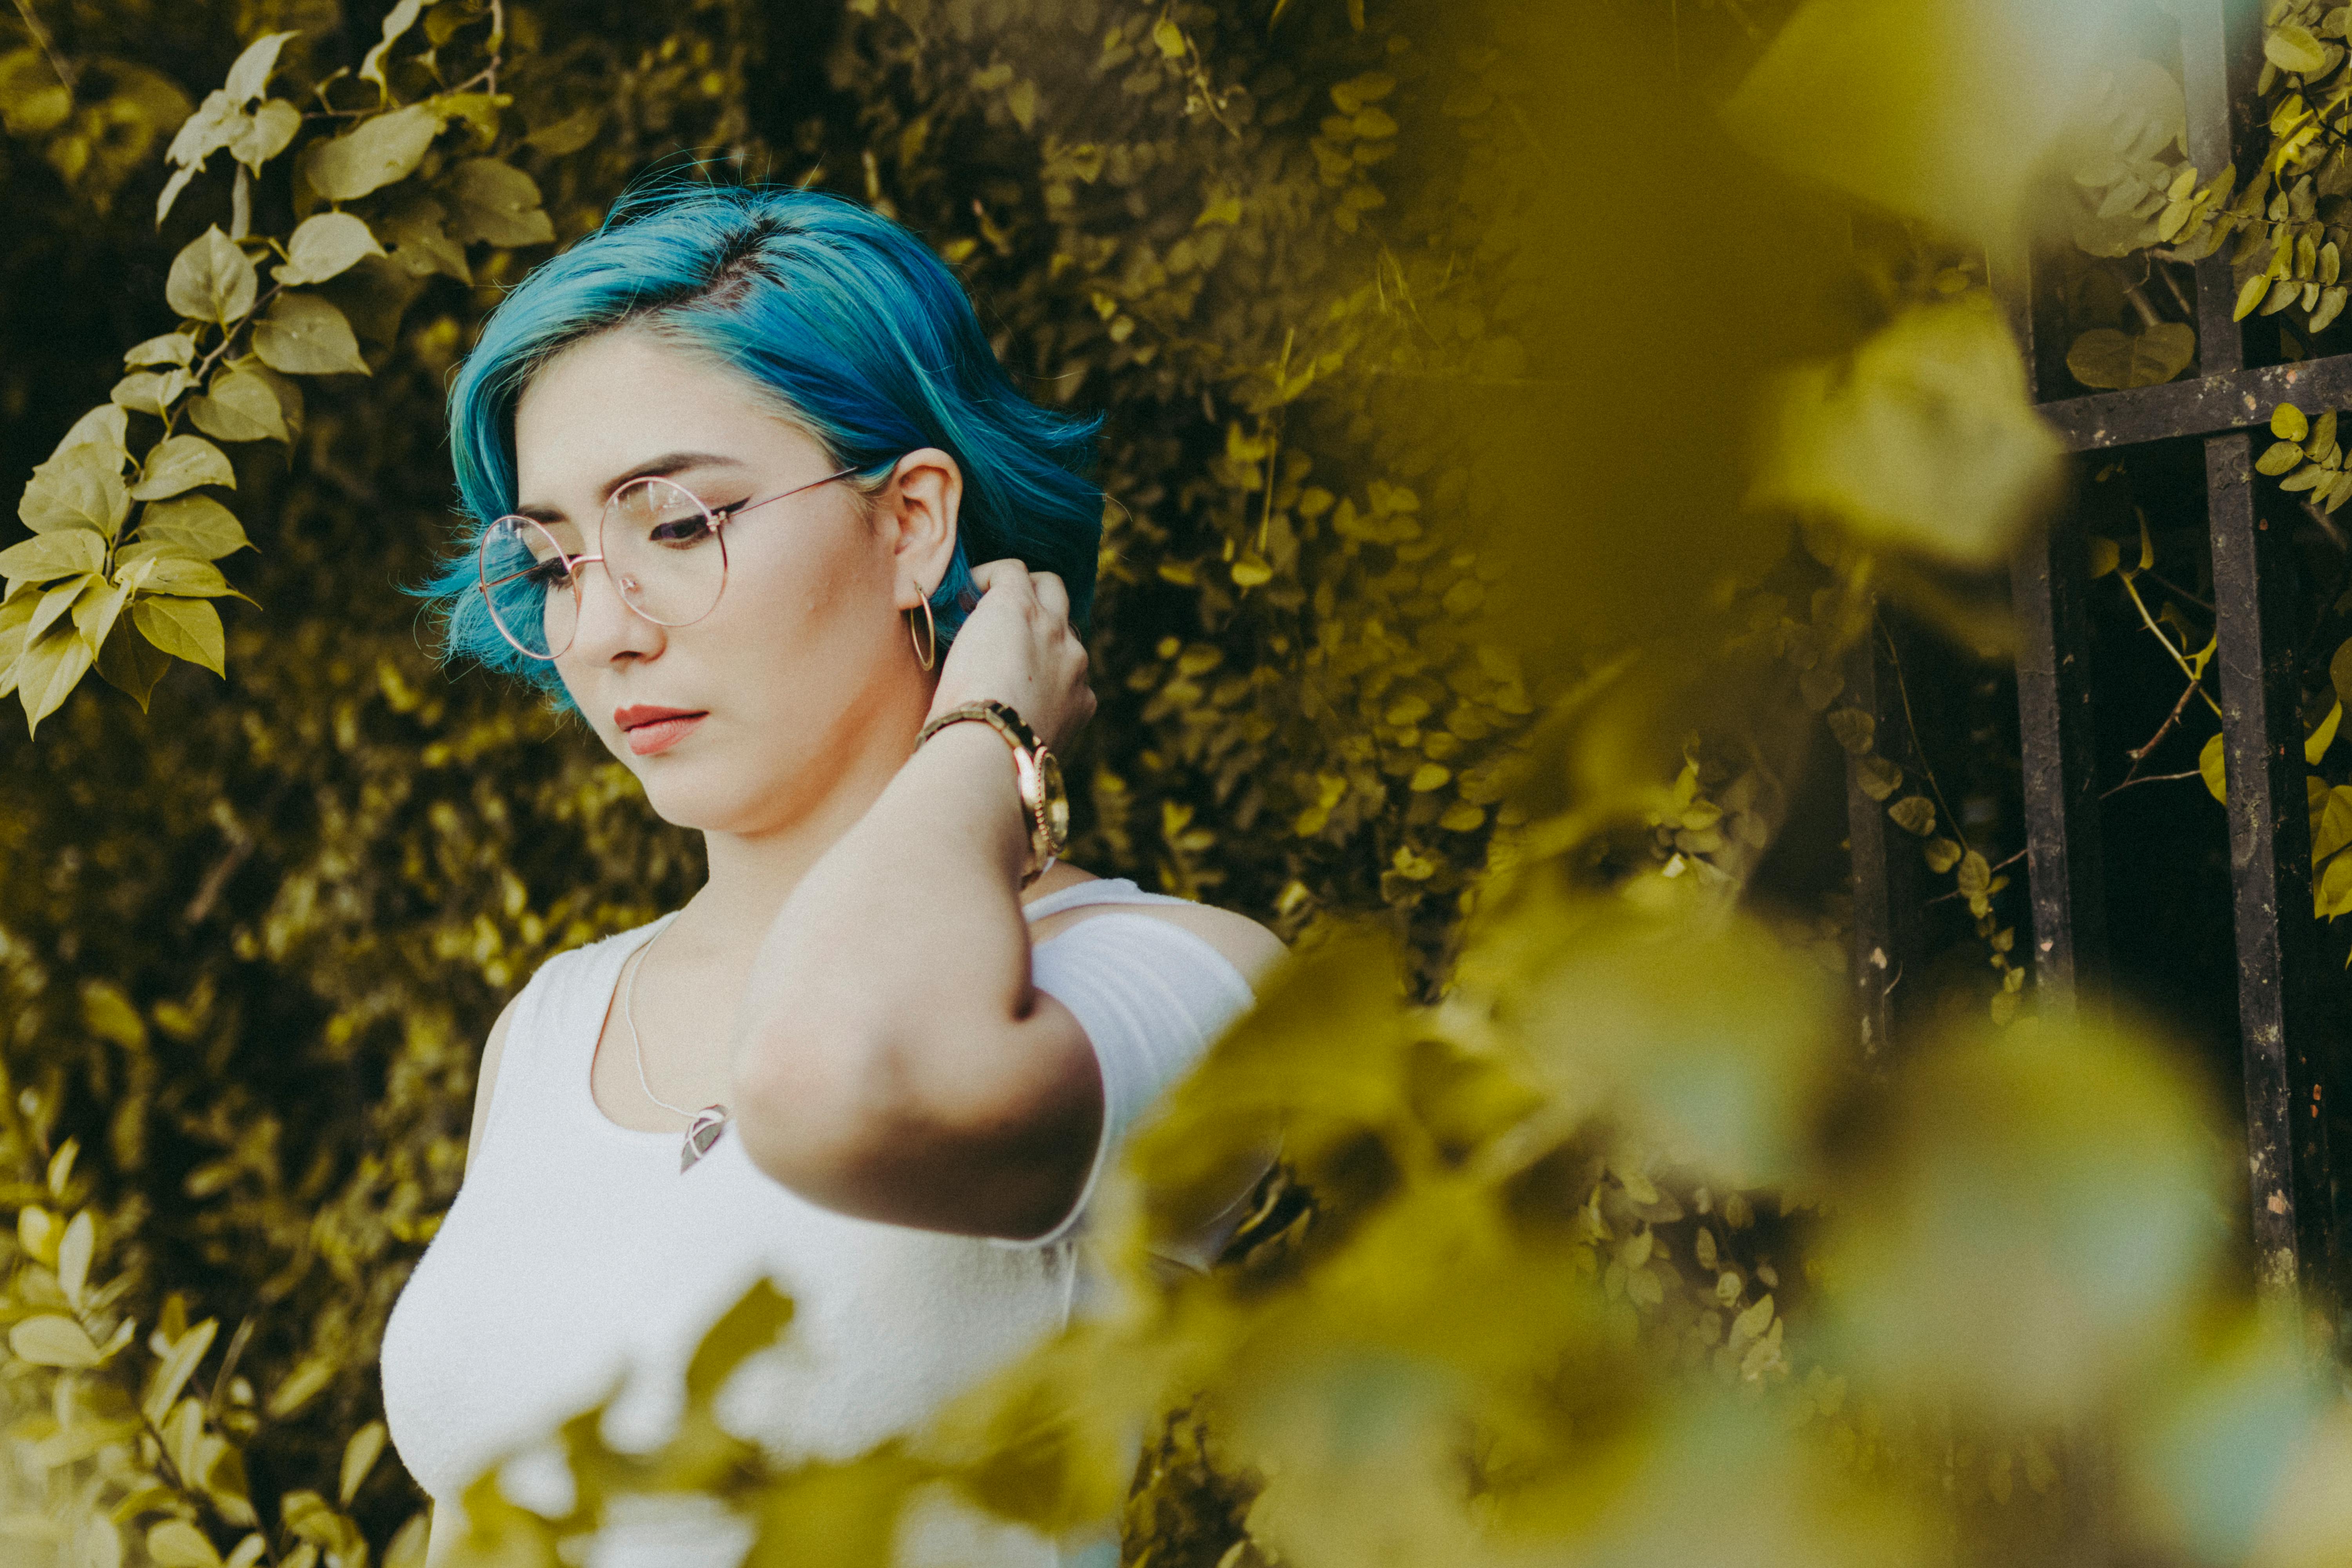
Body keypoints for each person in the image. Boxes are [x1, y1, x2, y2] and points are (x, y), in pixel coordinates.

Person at [377, 183, 1286, 1567]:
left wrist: (989, 733)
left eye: (675, 525)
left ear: (913, 521)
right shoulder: (558, 1025)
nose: (603, 629)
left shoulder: (1164, 978)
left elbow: (835, 1081)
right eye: (556, 560)